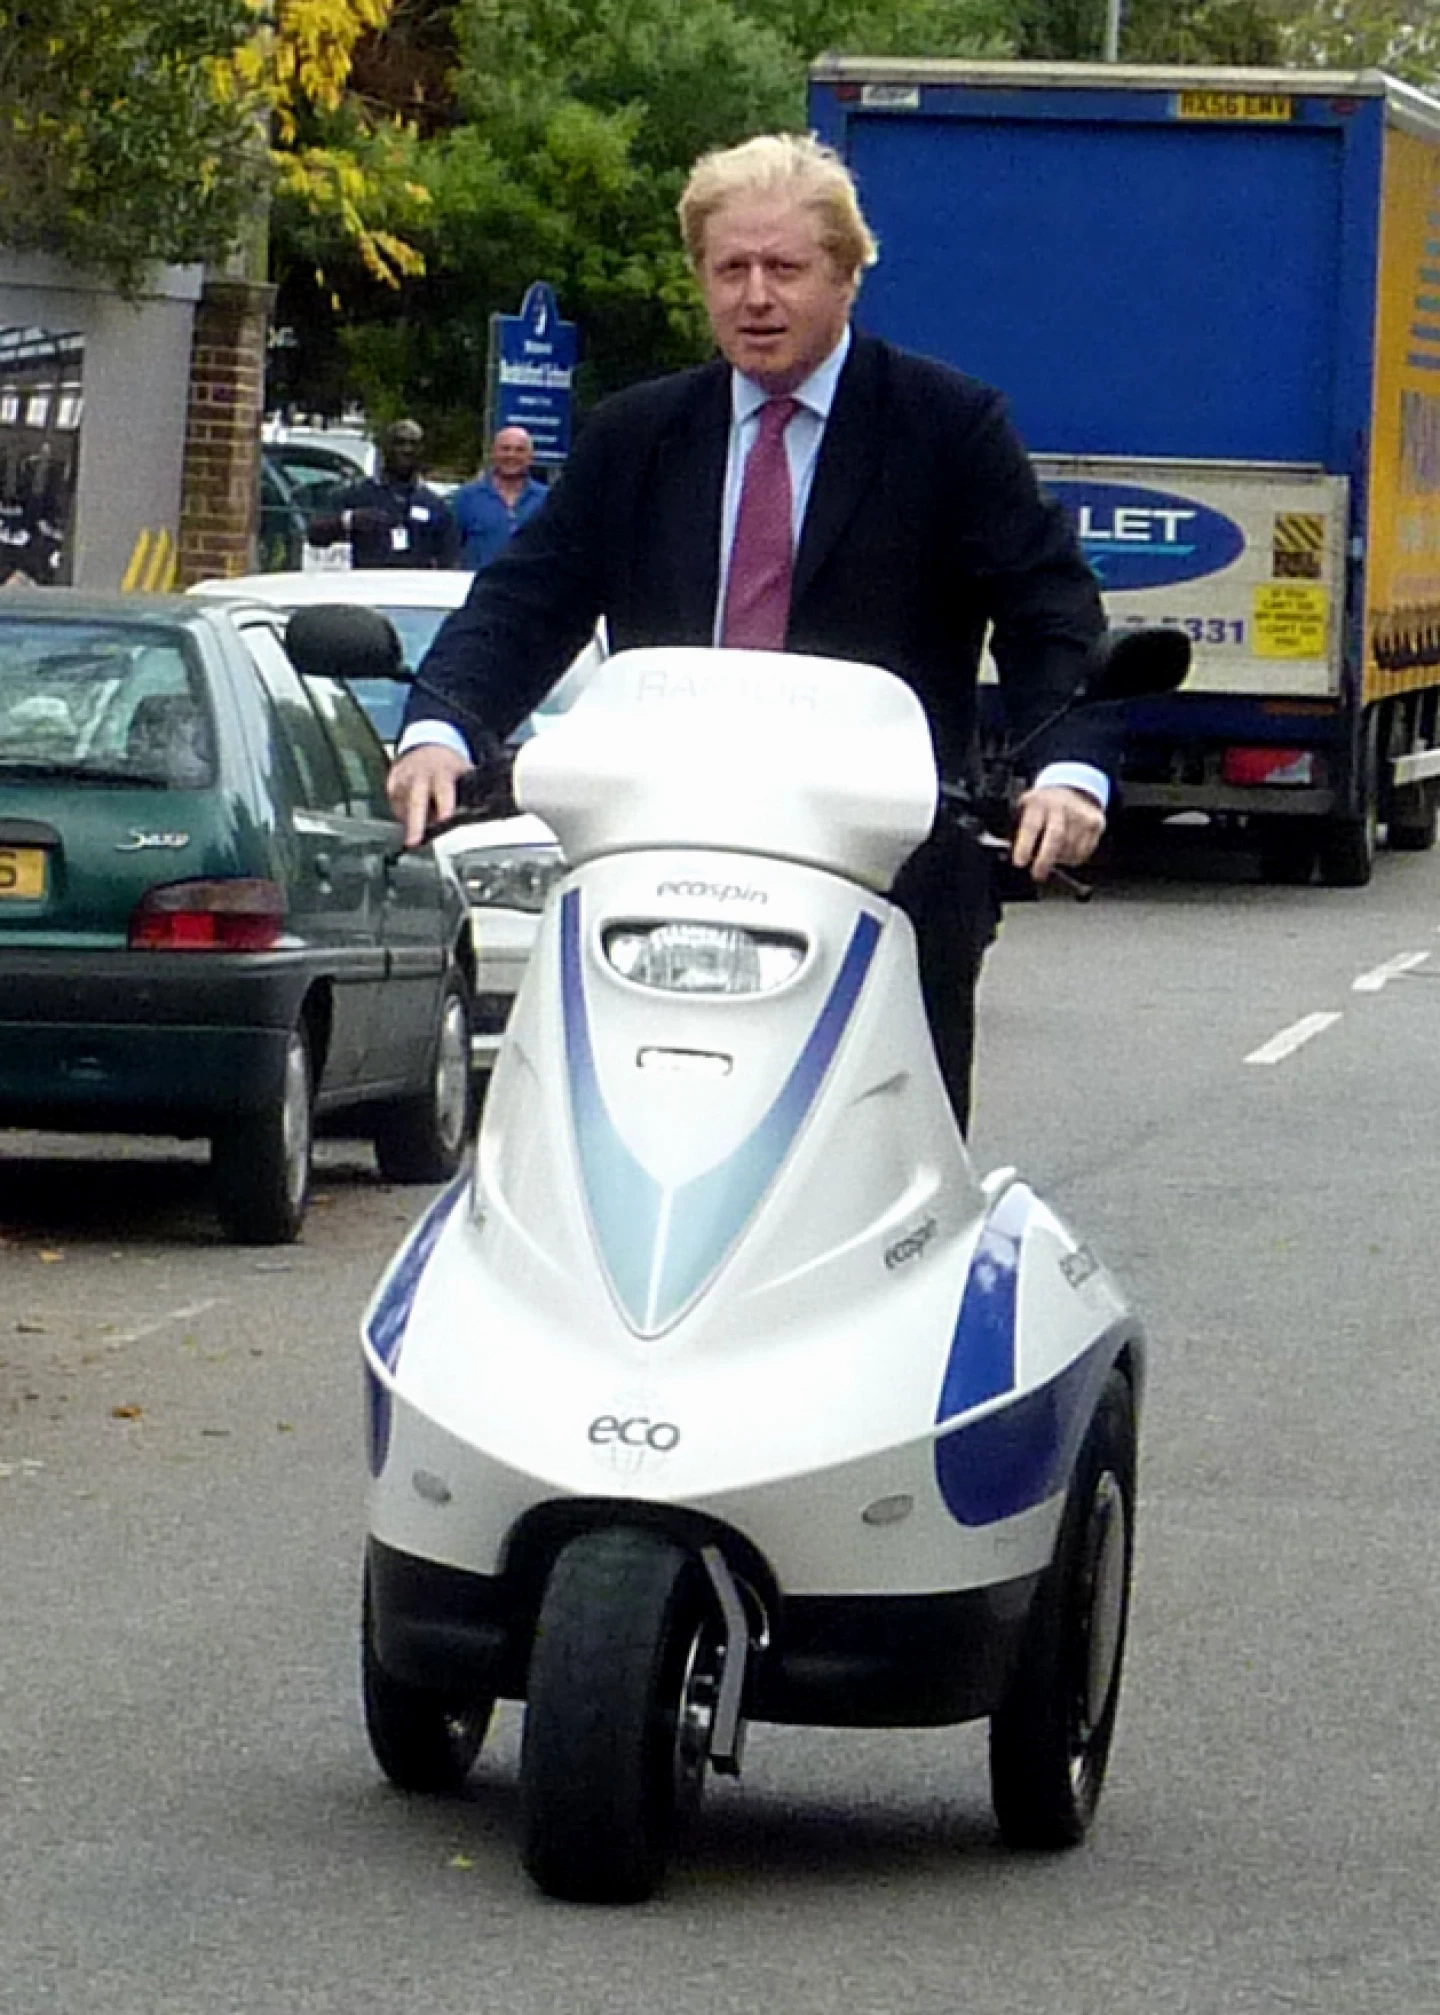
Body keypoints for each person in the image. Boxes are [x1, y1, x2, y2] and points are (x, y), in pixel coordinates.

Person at [387, 133, 1111, 1131]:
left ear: (848, 277)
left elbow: (1047, 610)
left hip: (884, 876)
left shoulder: (947, 427)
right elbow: (528, 597)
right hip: (666, 868)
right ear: (701, 278)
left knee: (884, 1169)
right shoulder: (640, 435)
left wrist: (1065, 769)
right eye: (731, 269)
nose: (756, 297)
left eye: (786, 268)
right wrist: (443, 727)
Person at [306, 418, 458, 569]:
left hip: (415, 588)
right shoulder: (357, 494)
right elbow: (314, 533)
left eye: (413, 444)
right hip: (367, 586)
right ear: (386, 448)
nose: (407, 450)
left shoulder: (434, 504)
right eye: (400, 443)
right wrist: (350, 520)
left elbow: (449, 558)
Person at [451, 426, 549, 569]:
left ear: (530, 457)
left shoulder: (547, 499)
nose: (511, 455)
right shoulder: (466, 498)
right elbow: (450, 549)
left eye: (519, 450)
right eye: (505, 449)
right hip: (480, 586)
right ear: (493, 454)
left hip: (532, 587)